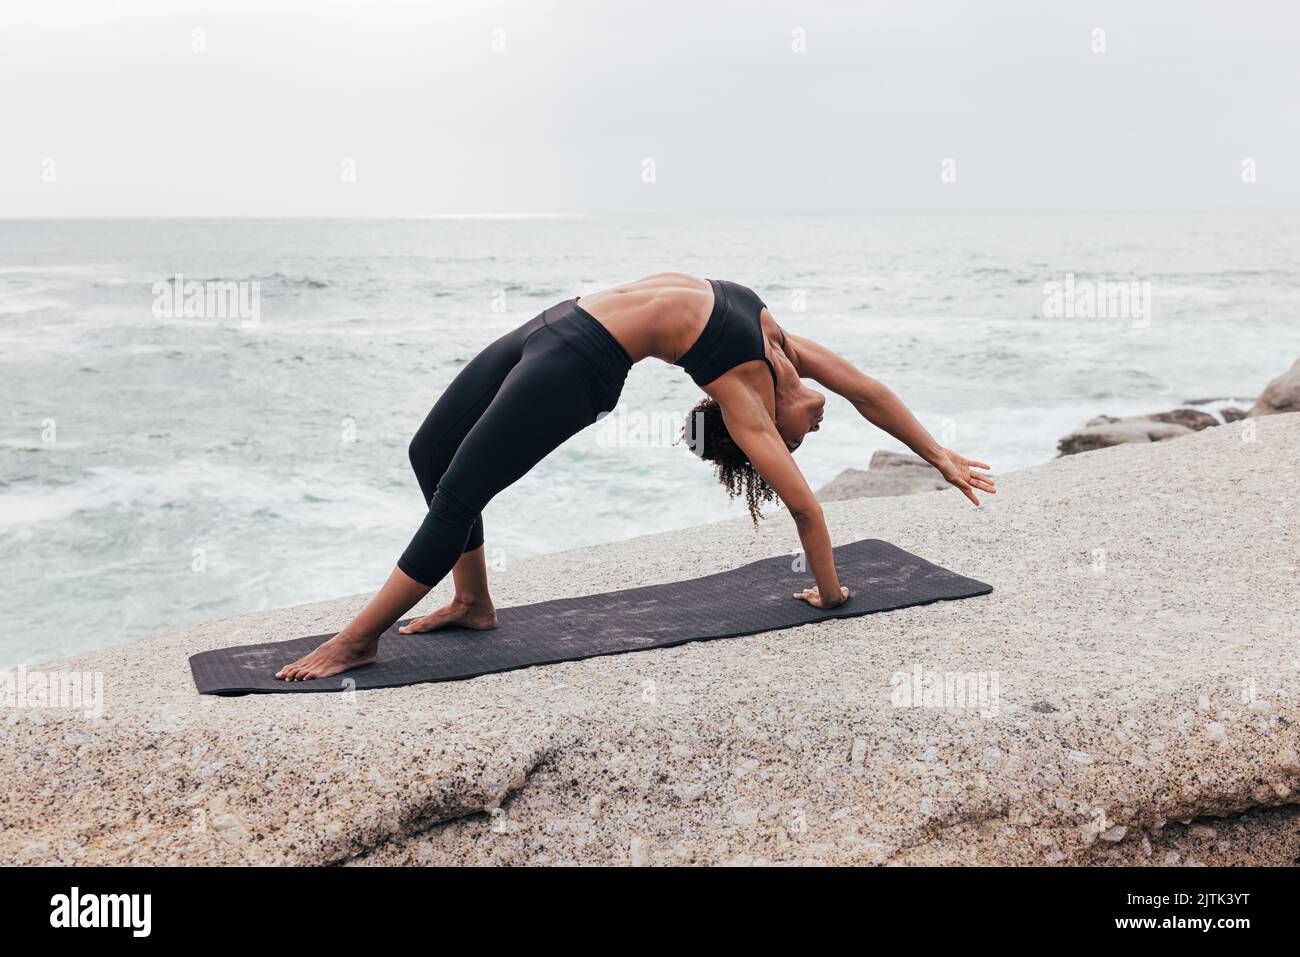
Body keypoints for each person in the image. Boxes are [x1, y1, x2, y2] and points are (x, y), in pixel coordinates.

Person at [275, 273, 995, 680]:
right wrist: (939, 454)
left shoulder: (746, 399)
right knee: (427, 455)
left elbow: (806, 510)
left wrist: (830, 593)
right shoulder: (781, 345)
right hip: (556, 321)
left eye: (795, 442)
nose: (816, 428)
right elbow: (869, 390)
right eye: (802, 437)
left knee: (461, 492)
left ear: (764, 432)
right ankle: (473, 601)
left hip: (580, 366)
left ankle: (359, 637)